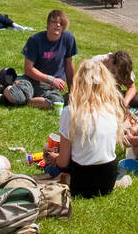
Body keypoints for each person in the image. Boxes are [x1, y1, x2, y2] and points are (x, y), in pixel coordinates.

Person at [46, 59, 131, 197]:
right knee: (117, 168)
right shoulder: (112, 110)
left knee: (50, 165)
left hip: (80, 184)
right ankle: (119, 179)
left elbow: (63, 162)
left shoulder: (70, 112)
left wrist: (55, 159)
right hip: (107, 182)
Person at [3, 10, 77, 109]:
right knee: (16, 97)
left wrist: (73, 90)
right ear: (48, 24)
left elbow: (69, 66)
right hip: (33, 81)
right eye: (54, 22)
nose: (58, 25)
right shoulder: (35, 40)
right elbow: (28, 69)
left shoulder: (68, 38)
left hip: (50, 89)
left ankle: (26, 100)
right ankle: (5, 89)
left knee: (58, 102)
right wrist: (51, 79)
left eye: (61, 23)